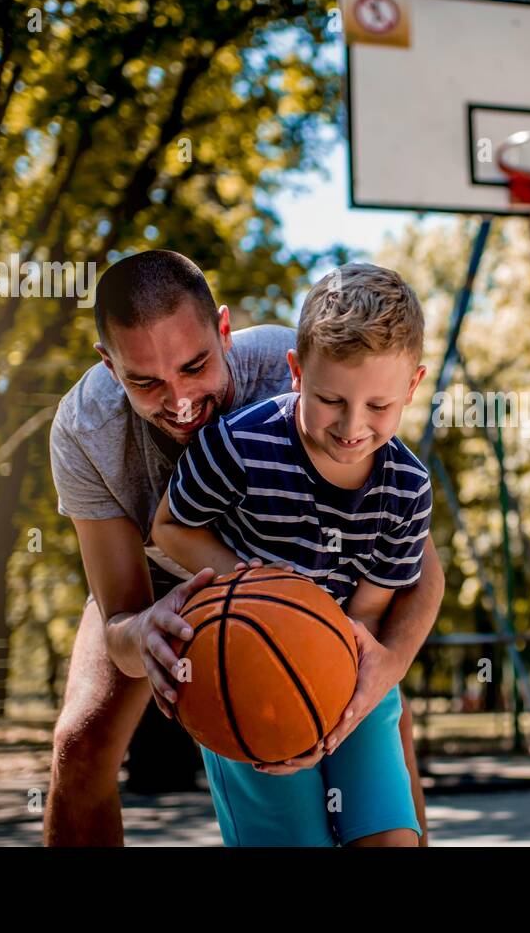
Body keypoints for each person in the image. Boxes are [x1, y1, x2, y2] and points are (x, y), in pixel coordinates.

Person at [46, 250, 442, 845]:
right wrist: (150, 633)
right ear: (109, 365)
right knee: (80, 745)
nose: (178, 400)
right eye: (145, 381)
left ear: (224, 332)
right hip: (164, 579)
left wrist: (387, 665)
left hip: (310, 579)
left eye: (195, 365)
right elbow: (122, 615)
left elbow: (415, 568)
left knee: (379, 709)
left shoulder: (314, 374)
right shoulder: (84, 429)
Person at [151, 261, 430, 845]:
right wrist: (256, 586)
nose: (353, 427)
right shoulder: (238, 444)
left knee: (389, 840)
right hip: (245, 670)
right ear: (296, 372)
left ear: (413, 386)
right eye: (331, 399)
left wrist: (330, 713)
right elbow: (170, 527)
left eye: (379, 406)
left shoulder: (407, 487)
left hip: (352, 672)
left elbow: (370, 613)